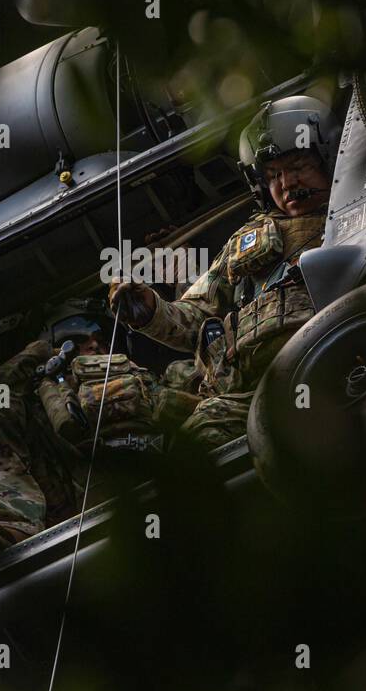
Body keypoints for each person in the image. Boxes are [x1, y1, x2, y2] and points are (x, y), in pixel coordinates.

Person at [109, 95, 335, 448]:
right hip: (248, 391)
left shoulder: (357, 208)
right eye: (274, 175)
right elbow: (196, 317)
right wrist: (150, 309)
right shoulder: (249, 240)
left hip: (327, 361)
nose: (287, 183)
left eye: (298, 165)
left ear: (327, 155)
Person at [0, 307, 198, 560]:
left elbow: (207, 388)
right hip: (66, 499)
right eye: (78, 339)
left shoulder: (146, 377)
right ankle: (14, 529)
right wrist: (33, 358)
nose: (93, 344)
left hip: (147, 481)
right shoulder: (35, 398)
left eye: (101, 339)